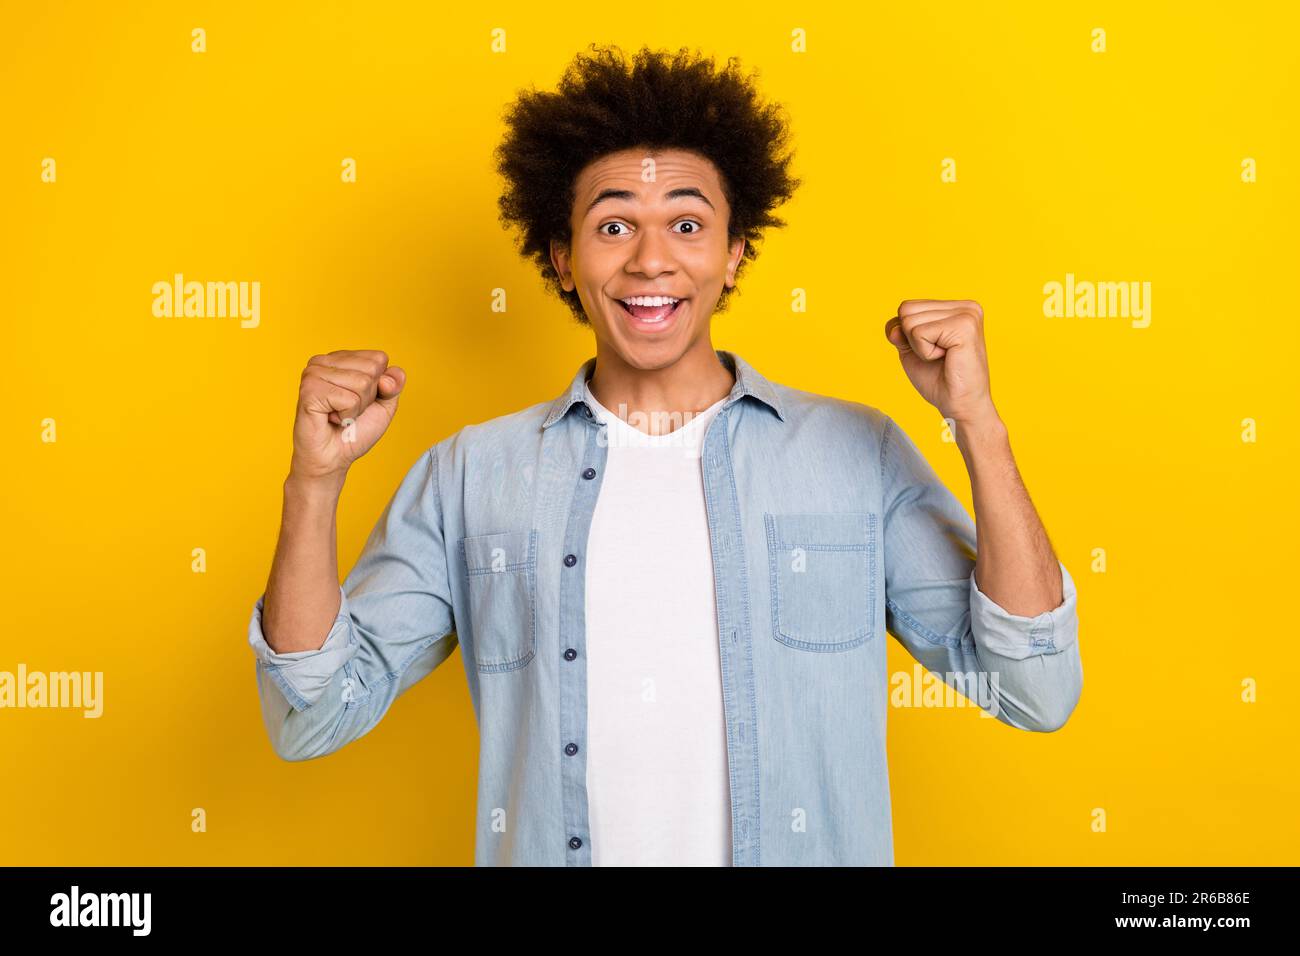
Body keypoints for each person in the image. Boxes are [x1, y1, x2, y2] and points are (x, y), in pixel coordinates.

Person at [246, 44, 1082, 866]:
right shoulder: (470, 474)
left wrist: (976, 420)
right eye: (614, 226)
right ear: (562, 259)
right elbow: (311, 716)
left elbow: (1033, 691)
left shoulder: (857, 455)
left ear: (734, 254)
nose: (652, 260)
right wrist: (313, 484)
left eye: (687, 224)